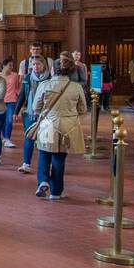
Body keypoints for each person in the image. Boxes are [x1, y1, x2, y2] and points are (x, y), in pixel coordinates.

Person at [31, 53, 89, 199]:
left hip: (48, 124)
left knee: (44, 153)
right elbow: (83, 109)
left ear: (52, 70)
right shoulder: (76, 87)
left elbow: (35, 107)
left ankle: (43, 181)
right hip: (68, 126)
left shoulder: (45, 85)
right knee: (59, 157)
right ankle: (56, 192)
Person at [14, 55, 51, 173]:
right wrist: (16, 111)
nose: (35, 66)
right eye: (33, 64)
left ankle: (46, 164)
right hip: (29, 113)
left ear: (43, 65)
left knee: (45, 139)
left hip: (46, 113)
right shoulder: (28, 77)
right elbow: (22, 95)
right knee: (29, 137)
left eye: (38, 64)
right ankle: (26, 163)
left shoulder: (50, 78)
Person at [1, 59, 21, 150]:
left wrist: (19, 98)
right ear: (4, 65)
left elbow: (17, 88)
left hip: (11, 101)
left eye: (12, 65)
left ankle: (7, 139)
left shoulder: (15, 75)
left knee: (9, 120)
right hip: (0, 101)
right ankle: (4, 138)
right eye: (10, 65)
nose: (12, 67)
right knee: (2, 121)